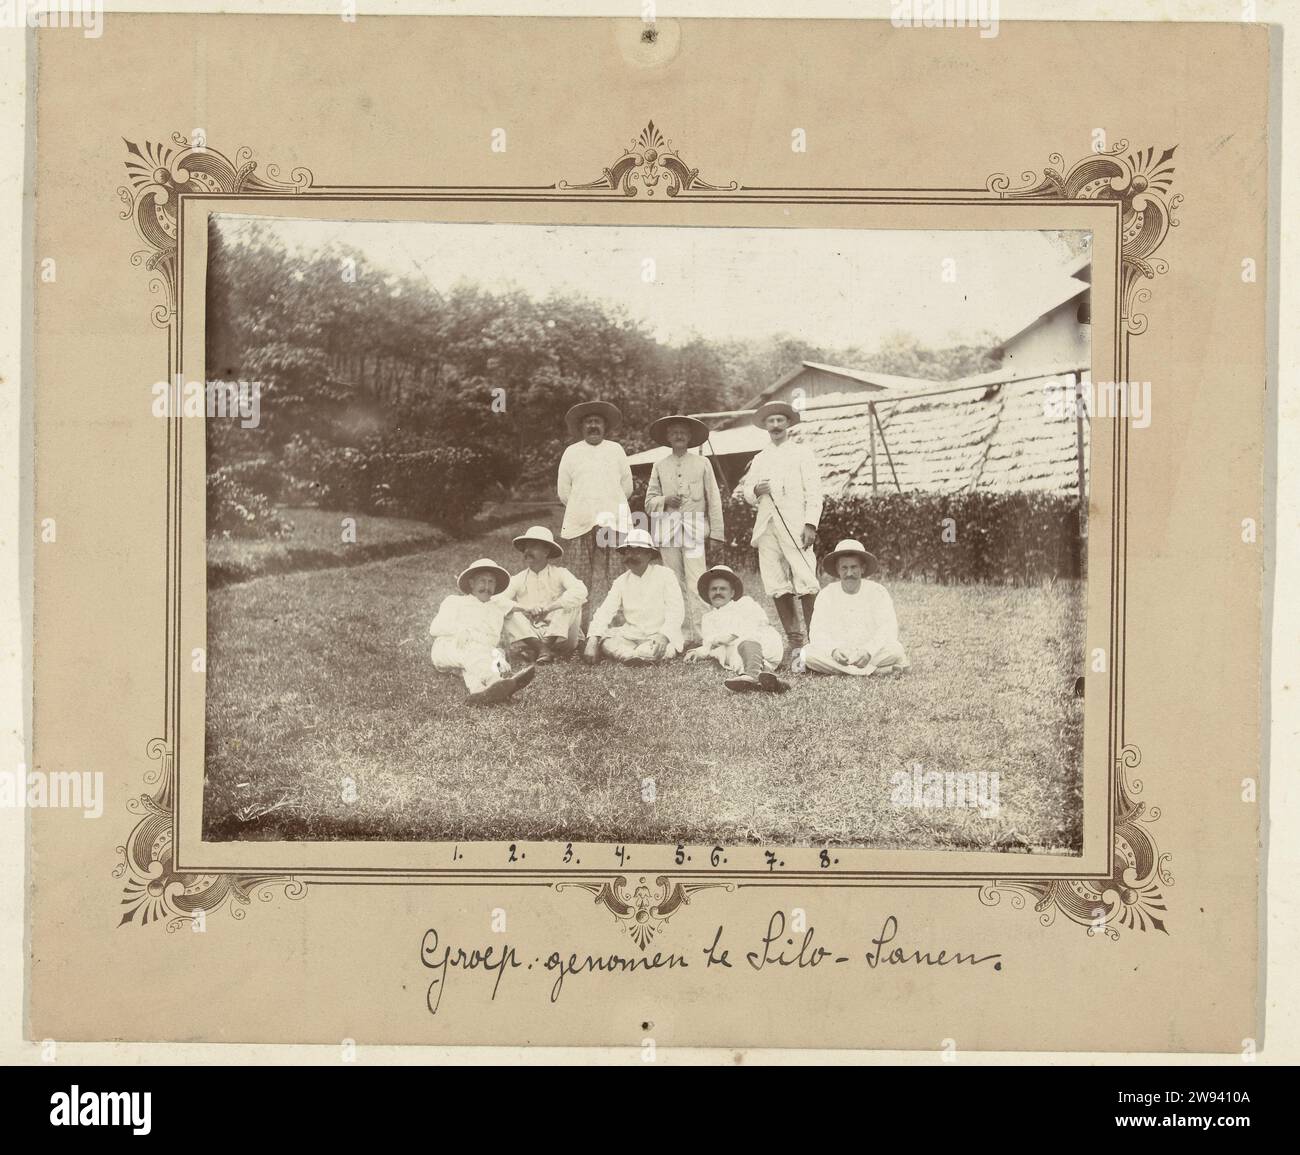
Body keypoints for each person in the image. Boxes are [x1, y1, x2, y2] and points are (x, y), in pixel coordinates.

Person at [741, 399, 823, 655]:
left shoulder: (802, 453)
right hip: (767, 527)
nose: (775, 425)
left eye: (780, 420)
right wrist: (756, 490)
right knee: (775, 582)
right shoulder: (760, 458)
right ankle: (795, 641)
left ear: (788, 423)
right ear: (765, 425)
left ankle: (817, 639)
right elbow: (747, 491)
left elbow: (814, 491)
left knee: (806, 578)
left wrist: (810, 523)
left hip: (795, 525)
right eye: (771, 421)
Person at [644, 413, 725, 647]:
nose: (678, 436)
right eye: (674, 432)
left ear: (689, 437)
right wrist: (665, 500)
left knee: (696, 580)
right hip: (667, 531)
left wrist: (717, 534)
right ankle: (677, 633)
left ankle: (701, 633)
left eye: (682, 432)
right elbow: (648, 503)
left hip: (694, 529)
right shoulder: (660, 465)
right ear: (668, 437)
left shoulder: (702, 463)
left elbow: (714, 499)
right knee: (673, 581)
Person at [556, 400, 633, 631]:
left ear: (604, 426)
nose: (593, 426)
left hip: (614, 521)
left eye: (597, 421)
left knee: (618, 577)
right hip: (581, 522)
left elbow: (627, 486)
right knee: (579, 580)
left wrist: (609, 505)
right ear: (581, 427)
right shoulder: (571, 452)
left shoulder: (616, 450)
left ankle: (619, 628)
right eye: (588, 422)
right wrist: (584, 508)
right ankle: (578, 631)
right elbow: (564, 492)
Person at [428, 558, 537, 704]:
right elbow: (435, 628)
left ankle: (480, 694)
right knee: (472, 651)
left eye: (491, 582)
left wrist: (532, 608)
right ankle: (496, 682)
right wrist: (460, 630)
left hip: (477, 655)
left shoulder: (497, 606)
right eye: (482, 581)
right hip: (448, 647)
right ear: (471, 583)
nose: (487, 587)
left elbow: (517, 607)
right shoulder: (455, 601)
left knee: (476, 661)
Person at [801, 539, 910, 676]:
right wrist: (833, 651)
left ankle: (850, 670)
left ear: (862, 568)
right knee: (806, 653)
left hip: (868, 653)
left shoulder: (878, 592)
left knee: (896, 649)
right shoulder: (826, 594)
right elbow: (817, 631)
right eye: (844, 568)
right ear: (837, 570)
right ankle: (874, 671)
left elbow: (887, 628)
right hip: (840, 654)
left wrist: (869, 651)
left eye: (854, 567)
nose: (849, 573)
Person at [582, 528, 685, 666]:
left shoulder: (666, 575)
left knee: (662, 649)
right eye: (628, 551)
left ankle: (635, 655)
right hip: (630, 636)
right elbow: (605, 611)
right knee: (605, 640)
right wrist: (593, 639)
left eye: (637, 551)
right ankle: (632, 656)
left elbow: (676, 610)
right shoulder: (621, 581)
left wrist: (664, 636)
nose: (631, 556)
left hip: (658, 636)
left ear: (649, 554)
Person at [685, 564, 789, 694]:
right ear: (708, 593)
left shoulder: (744, 603)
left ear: (732, 592)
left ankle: (752, 675)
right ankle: (772, 682)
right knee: (736, 657)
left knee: (745, 640)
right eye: (713, 589)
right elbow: (709, 643)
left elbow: (759, 621)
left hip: (762, 644)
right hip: (737, 654)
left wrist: (730, 636)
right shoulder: (708, 618)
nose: (718, 592)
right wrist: (698, 652)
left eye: (723, 589)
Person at [501, 525, 588, 664]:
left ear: (546, 552)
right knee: (507, 610)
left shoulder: (560, 573)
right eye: (526, 547)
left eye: (533, 546)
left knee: (572, 602)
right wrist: (526, 608)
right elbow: (498, 600)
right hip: (532, 635)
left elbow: (581, 591)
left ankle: (543, 648)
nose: (527, 551)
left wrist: (549, 608)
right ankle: (542, 649)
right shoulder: (518, 579)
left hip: (562, 636)